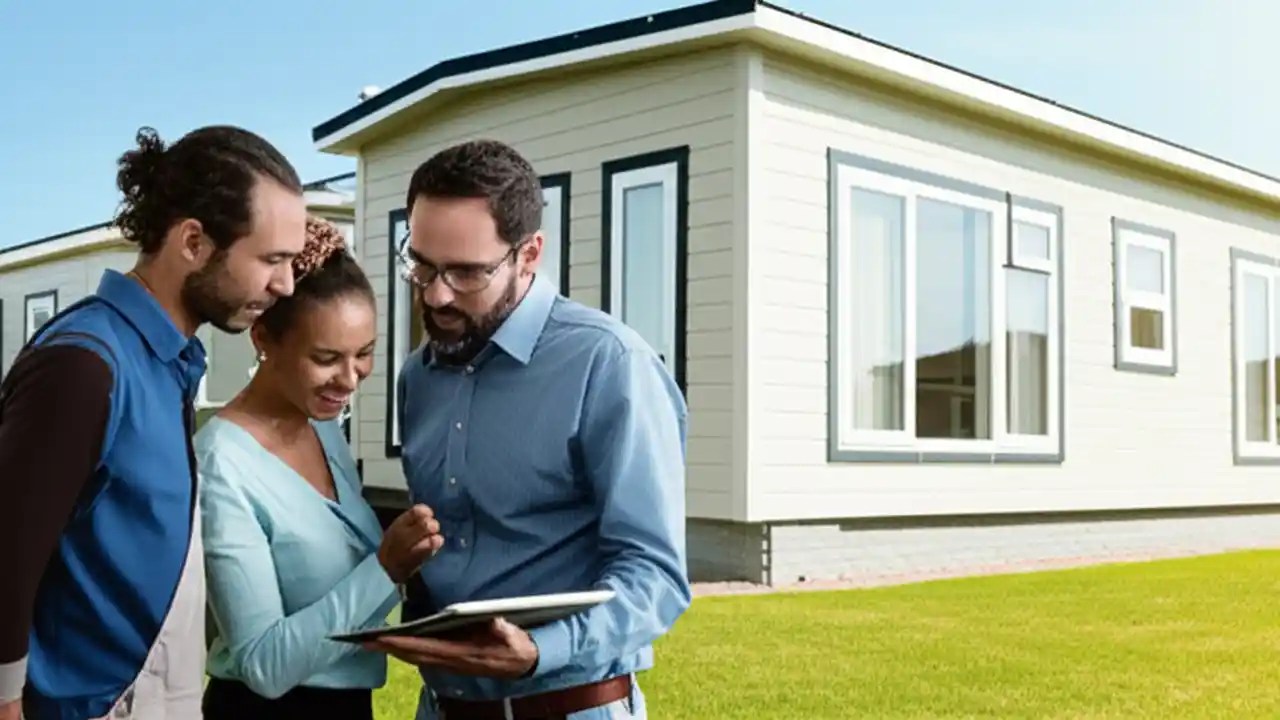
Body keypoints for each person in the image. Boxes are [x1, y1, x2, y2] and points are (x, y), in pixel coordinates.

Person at [366, 139, 692, 720]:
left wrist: (541, 650)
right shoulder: (418, 375)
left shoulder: (610, 365)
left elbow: (655, 576)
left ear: (529, 253)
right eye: (420, 264)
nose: (436, 294)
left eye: (466, 272)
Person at [0, 125, 309, 720]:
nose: (286, 284)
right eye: (272, 259)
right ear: (193, 241)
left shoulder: (166, 363)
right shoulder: (85, 365)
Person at [196, 216, 444, 720]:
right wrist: (386, 568)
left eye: (365, 354)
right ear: (263, 338)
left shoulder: (324, 426)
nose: (350, 379)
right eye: (327, 357)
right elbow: (262, 663)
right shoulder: (222, 463)